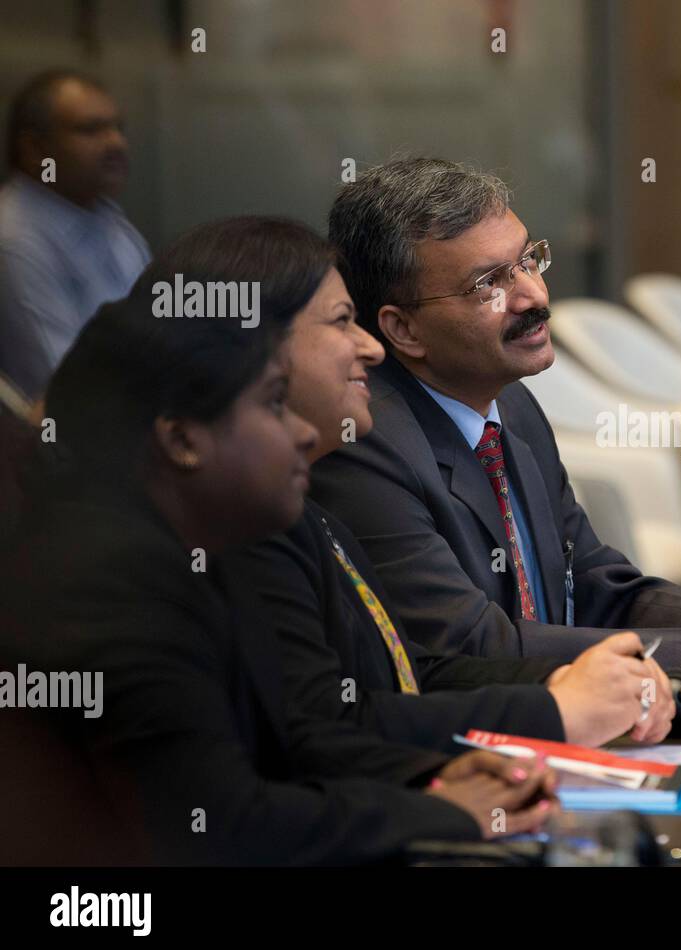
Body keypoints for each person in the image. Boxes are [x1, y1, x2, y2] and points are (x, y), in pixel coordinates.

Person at [0, 287, 554, 865]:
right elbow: (225, 824)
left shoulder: (197, 549)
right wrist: (449, 811)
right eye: (272, 405)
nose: (305, 432)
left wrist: (437, 774)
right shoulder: (113, 589)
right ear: (183, 439)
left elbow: (294, 742)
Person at [313, 156, 681, 680]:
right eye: (489, 284)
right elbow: (474, 648)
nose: (533, 295)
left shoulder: (511, 405)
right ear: (403, 329)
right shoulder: (366, 445)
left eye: (527, 261)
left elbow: (599, 589)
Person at [127, 216, 672, 749]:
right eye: (341, 323)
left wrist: (570, 696)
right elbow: (317, 740)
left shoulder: (298, 507)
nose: (369, 349)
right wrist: (546, 718)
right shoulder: (250, 526)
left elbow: (413, 676)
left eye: (528, 262)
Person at [0, 69, 149, 400]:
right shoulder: (15, 242)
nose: (116, 143)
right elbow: (69, 392)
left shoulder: (110, 221)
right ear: (36, 150)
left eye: (117, 128)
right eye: (91, 130)